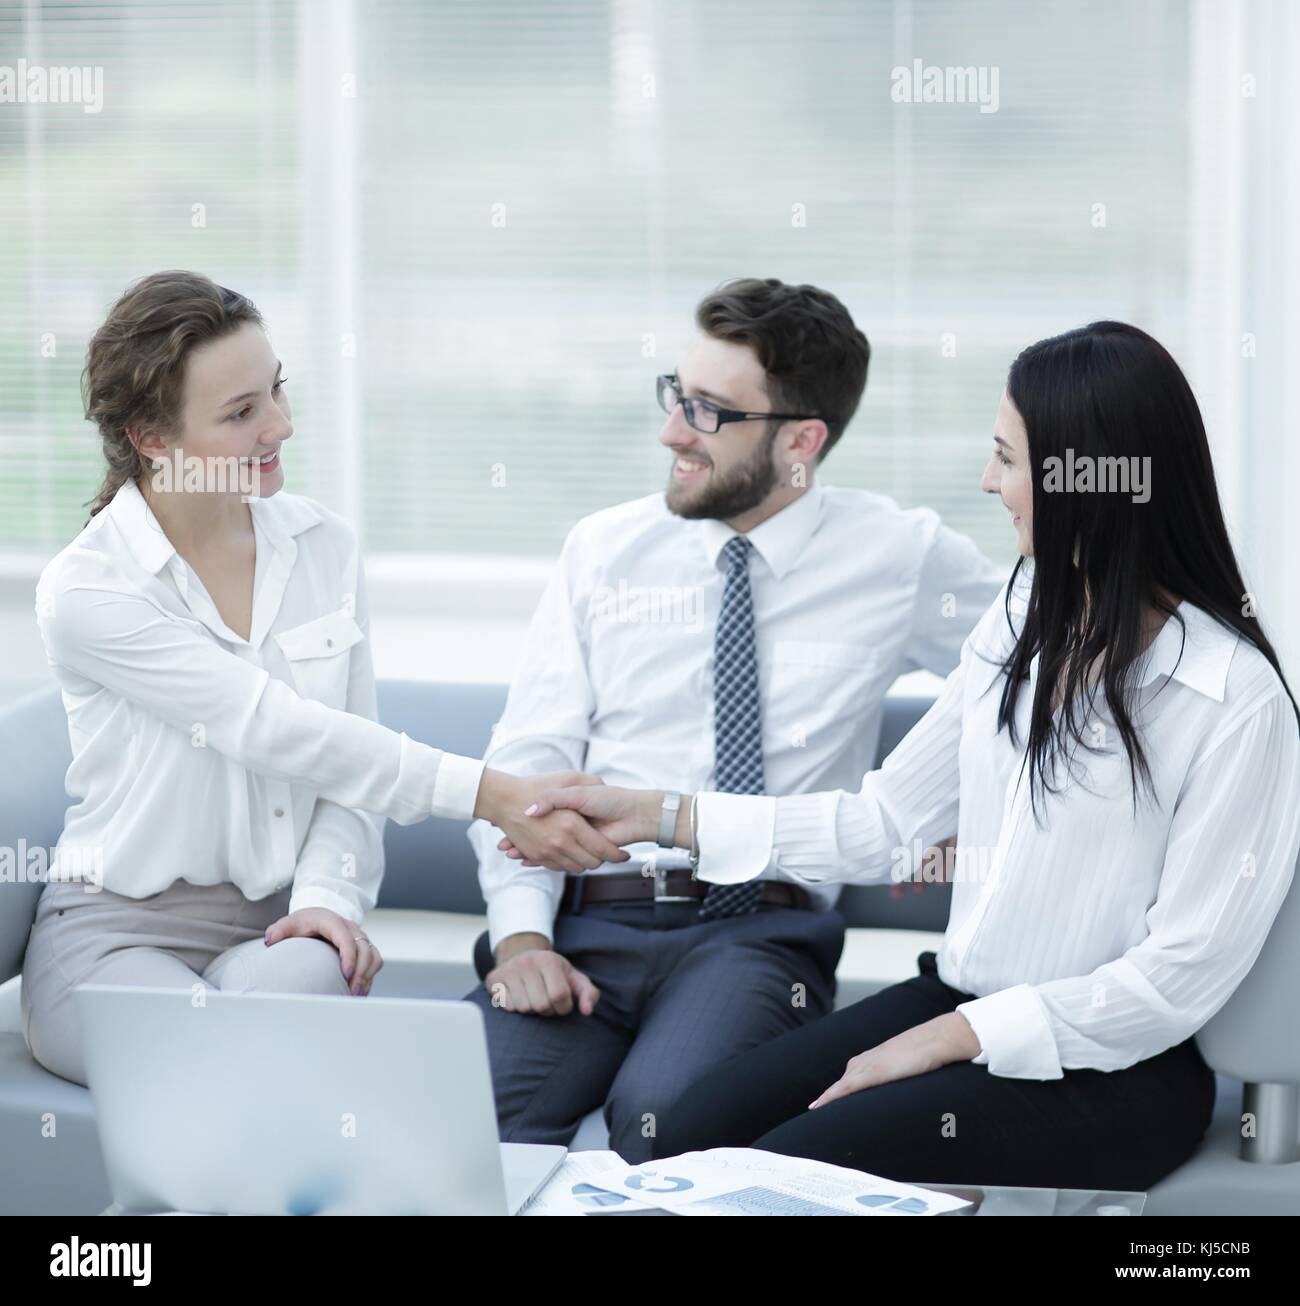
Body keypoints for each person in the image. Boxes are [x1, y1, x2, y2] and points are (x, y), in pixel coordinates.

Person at [517, 320, 1300, 1191]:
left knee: (773, 1178)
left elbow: (1174, 980)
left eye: (1007, 458)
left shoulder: (1234, 701)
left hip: (1116, 1066)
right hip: (959, 999)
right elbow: (885, 822)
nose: (987, 481)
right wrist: (664, 816)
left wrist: (952, 1041)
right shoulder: (1023, 620)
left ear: (1090, 480)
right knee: (682, 1137)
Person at [21, 270, 618, 1087]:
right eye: (242, 413)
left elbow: (345, 777)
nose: (281, 426)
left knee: (304, 997)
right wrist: (492, 792)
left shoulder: (323, 545)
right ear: (152, 438)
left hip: (275, 926)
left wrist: (330, 903)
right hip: (117, 933)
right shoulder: (90, 589)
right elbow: (273, 727)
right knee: (207, 1065)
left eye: (277, 392)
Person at [466, 277, 1003, 1162]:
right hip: (584, 922)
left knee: (671, 1127)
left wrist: (965, 822)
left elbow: (1053, 668)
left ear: (801, 440)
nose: (674, 430)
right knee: (464, 1122)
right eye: (676, 395)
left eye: (710, 411)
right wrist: (521, 936)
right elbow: (531, 759)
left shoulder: (900, 556)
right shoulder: (605, 550)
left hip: (759, 936)